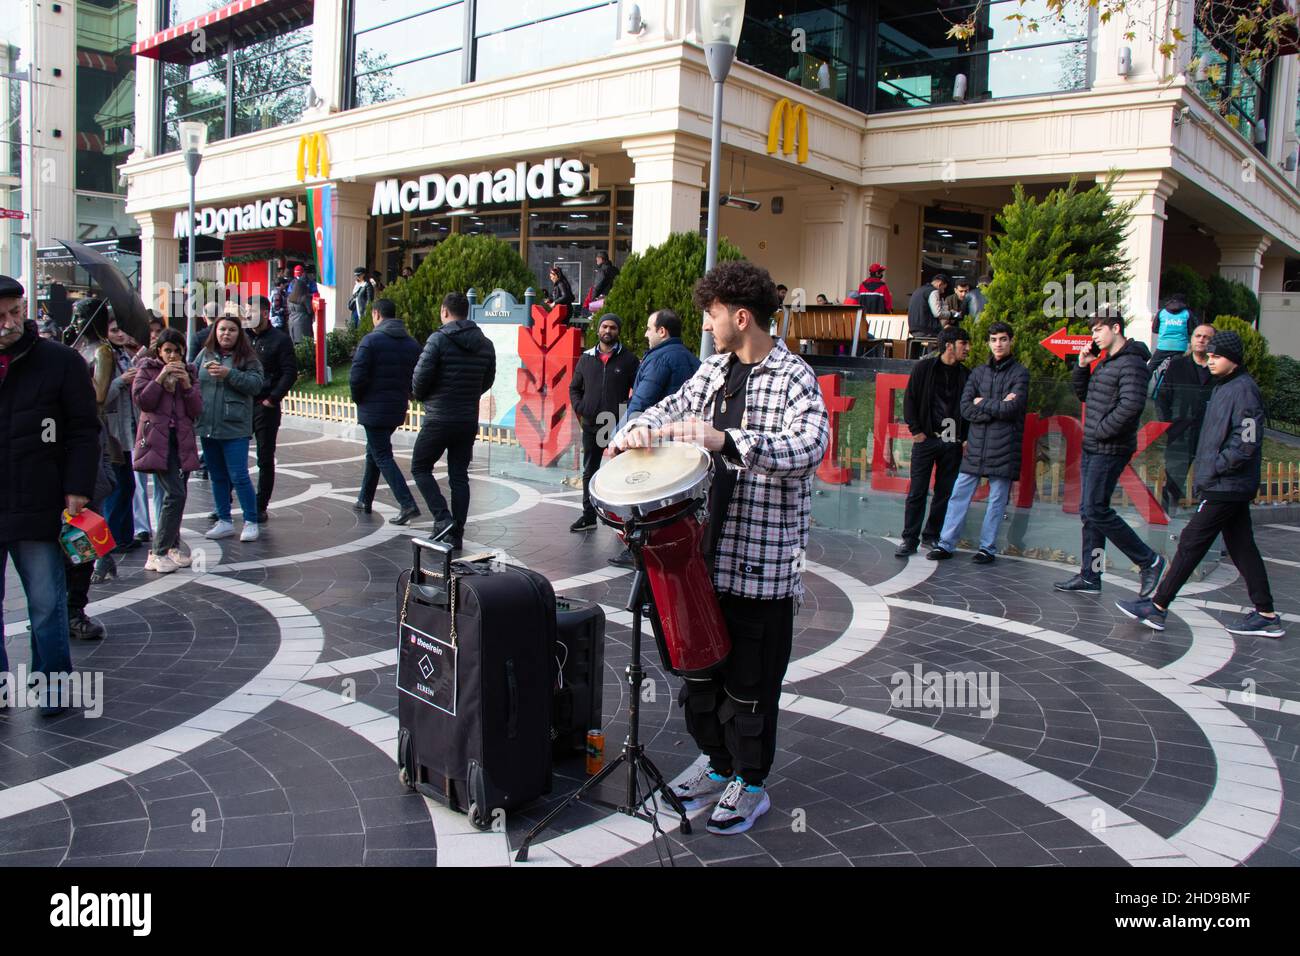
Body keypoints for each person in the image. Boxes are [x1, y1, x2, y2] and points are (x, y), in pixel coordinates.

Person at [612, 260, 829, 835]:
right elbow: (670, 409)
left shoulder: (793, 377)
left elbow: (810, 446)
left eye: (712, 314)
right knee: (700, 678)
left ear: (741, 316)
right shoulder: (712, 372)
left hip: (761, 568)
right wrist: (632, 430)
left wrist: (729, 439)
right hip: (701, 561)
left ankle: (750, 784)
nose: (707, 324)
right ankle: (716, 764)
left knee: (751, 688)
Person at [1117, 331, 1284, 637]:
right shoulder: (1226, 386)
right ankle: (1266, 614)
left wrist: (1215, 470)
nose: (1209, 362)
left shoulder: (1244, 391)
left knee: (1191, 541)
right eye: (1208, 356)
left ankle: (1157, 607)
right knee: (1242, 546)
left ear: (1232, 359)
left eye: (1216, 356)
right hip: (1225, 483)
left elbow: (1246, 443)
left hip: (1228, 485)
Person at [0, 276, 100, 714]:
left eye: (14, 313)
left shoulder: (60, 362)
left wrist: (78, 487)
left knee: (45, 602)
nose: (8, 323)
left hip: (39, 502)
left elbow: (83, 429)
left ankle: (54, 688)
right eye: (0, 316)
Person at [1055, 309, 1165, 596]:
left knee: (1096, 509)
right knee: (1089, 513)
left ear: (1115, 328)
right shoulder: (1106, 362)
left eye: (1097, 330)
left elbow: (1130, 407)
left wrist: (1101, 430)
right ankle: (1091, 576)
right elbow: (1085, 396)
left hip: (1111, 447)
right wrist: (1082, 366)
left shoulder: (1132, 364)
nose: (1093, 337)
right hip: (1094, 446)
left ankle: (1149, 561)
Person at [927, 322, 1029, 564]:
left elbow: (1012, 408)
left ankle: (987, 548)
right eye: (994, 340)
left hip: (1004, 448)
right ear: (988, 343)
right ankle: (946, 543)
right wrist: (996, 407)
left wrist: (981, 402)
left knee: (996, 501)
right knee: (958, 494)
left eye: (1003, 339)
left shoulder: (1020, 373)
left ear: (1011, 341)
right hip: (976, 447)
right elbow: (965, 409)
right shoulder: (978, 373)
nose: (998, 344)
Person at [410, 292, 496, 550]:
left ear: (445, 312)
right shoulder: (485, 343)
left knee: (420, 467)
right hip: (467, 418)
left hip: (439, 417)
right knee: (459, 475)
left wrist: (422, 396)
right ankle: (456, 533)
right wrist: (467, 394)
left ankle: (442, 518)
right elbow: (487, 380)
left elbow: (420, 378)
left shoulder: (438, 340)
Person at [896, 325, 971, 558]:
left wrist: (965, 438)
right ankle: (909, 539)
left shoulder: (966, 375)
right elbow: (910, 399)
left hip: (953, 443)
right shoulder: (924, 368)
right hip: (926, 440)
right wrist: (916, 431)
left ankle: (932, 536)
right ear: (949, 346)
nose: (968, 348)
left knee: (944, 492)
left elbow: (968, 409)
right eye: (963, 344)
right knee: (917, 491)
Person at [132, 329, 202, 574]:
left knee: (179, 492)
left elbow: (196, 409)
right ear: (159, 351)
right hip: (157, 440)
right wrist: (160, 379)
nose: (172, 356)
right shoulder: (148, 369)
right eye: (167, 351)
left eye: (177, 350)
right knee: (175, 494)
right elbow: (142, 401)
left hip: (181, 440)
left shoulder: (190, 372)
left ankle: (172, 547)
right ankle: (158, 551)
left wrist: (186, 385)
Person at [351, 298, 422, 524]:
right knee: (374, 451)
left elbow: (356, 377)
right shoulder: (411, 344)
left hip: (373, 408)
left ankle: (407, 503)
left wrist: (359, 399)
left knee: (381, 454)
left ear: (376, 314)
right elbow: (418, 375)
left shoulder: (371, 341)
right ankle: (365, 498)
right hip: (396, 407)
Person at [196, 315, 265, 541]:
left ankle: (250, 520)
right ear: (215, 331)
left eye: (232, 330)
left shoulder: (247, 358)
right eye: (222, 329)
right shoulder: (205, 354)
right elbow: (193, 378)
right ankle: (224, 520)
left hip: (235, 426)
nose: (226, 334)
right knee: (216, 476)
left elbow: (256, 385)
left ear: (239, 334)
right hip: (208, 425)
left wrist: (230, 374)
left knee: (239, 475)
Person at [568, 314, 639, 534]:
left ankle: (624, 523)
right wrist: (582, 407)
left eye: (613, 327)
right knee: (590, 470)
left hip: (616, 425)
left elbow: (638, 392)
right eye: (605, 326)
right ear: (599, 330)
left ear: (619, 331)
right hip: (591, 424)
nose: (608, 331)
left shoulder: (628, 359)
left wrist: (625, 413)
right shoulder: (586, 358)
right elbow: (574, 388)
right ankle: (588, 516)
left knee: (622, 473)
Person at [244, 295, 297, 523]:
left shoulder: (280, 340)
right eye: (245, 313)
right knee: (232, 456)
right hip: (241, 405)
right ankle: (224, 503)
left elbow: (290, 372)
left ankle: (260, 505)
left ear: (265, 313)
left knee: (265, 458)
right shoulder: (241, 338)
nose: (247, 317)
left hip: (266, 406)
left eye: (251, 312)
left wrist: (273, 399)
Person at [1154, 323, 1216, 514]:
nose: (1201, 340)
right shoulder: (1177, 365)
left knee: (1209, 481)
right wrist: (1168, 427)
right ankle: (1165, 517)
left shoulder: (1217, 370)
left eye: (1206, 337)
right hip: (1180, 432)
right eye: (1198, 335)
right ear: (1191, 339)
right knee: (1172, 479)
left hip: (1209, 434)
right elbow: (1162, 398)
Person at [1150, 294, 1193, 370]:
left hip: (1163, 346)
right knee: (1177, 370)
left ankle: (1143, 381)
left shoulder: (1162, 312)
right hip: (1180, 347)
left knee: (1151, 367)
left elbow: (1154, 329)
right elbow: (1191, 330)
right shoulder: (1187, 313)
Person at [907, 273, 951, 338]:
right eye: (943, 288)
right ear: (940, 284)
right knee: (950, 331)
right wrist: (951, 314)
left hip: (913, 328)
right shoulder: (933, 291)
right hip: (926, 330)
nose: (943, 291)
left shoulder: (918, 290)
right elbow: (937, 313)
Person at [287, 266, 315, 345]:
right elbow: (310, 311)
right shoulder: (304, 298)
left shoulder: (289, 298)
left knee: (294, 345)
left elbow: (288, 310)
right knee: (304, 346)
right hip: (303, 324)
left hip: (292, 323)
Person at [347, 266, 374, 332]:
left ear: (363, 274)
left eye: (358, 275)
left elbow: (369, 299)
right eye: (356, 275)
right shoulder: (357, 284)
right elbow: (355, 297)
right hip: (355, 309)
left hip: (362, 311)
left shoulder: (367, 285)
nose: (357, 277)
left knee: (360, 329)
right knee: (352, 329)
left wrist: (366, 312)